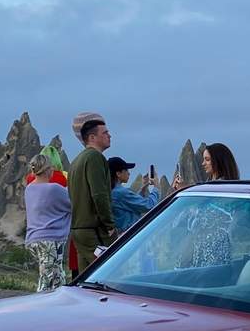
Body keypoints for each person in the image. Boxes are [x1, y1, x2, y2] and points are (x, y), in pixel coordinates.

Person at [68, 118, 115, 272]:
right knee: (108, 270)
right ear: (92, 137)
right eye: (105, 133)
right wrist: (109, 224)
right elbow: (99, 194)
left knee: (86, 276)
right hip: (94, 230)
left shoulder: (76, 161)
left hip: (79, 229)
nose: (109, 135)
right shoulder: (95, 158)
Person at [25, 153, 72, 292]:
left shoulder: (29, 189)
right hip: (50, 240)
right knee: (49, 281)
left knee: (57, 278)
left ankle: (55, 304)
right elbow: (73, 202)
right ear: (47, 169)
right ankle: (40, 304)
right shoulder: (54, 189)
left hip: (33, 238)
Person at [109, 157, 159, 232]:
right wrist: (156, 187)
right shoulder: (120, 192)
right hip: (130, 232)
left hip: (123, 233)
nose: (129, 173)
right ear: (118, 174)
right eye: (126, 170)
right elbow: (149, 205)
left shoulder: (113, 191)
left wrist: (143, 189)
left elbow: (130, 203)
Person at [173, 142, 239, 190]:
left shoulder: (221, 188)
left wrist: (184, 189)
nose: (203, 163)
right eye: (203, 159)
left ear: (218, 161)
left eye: (207, 160)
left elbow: (201, 203)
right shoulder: (211, 185)